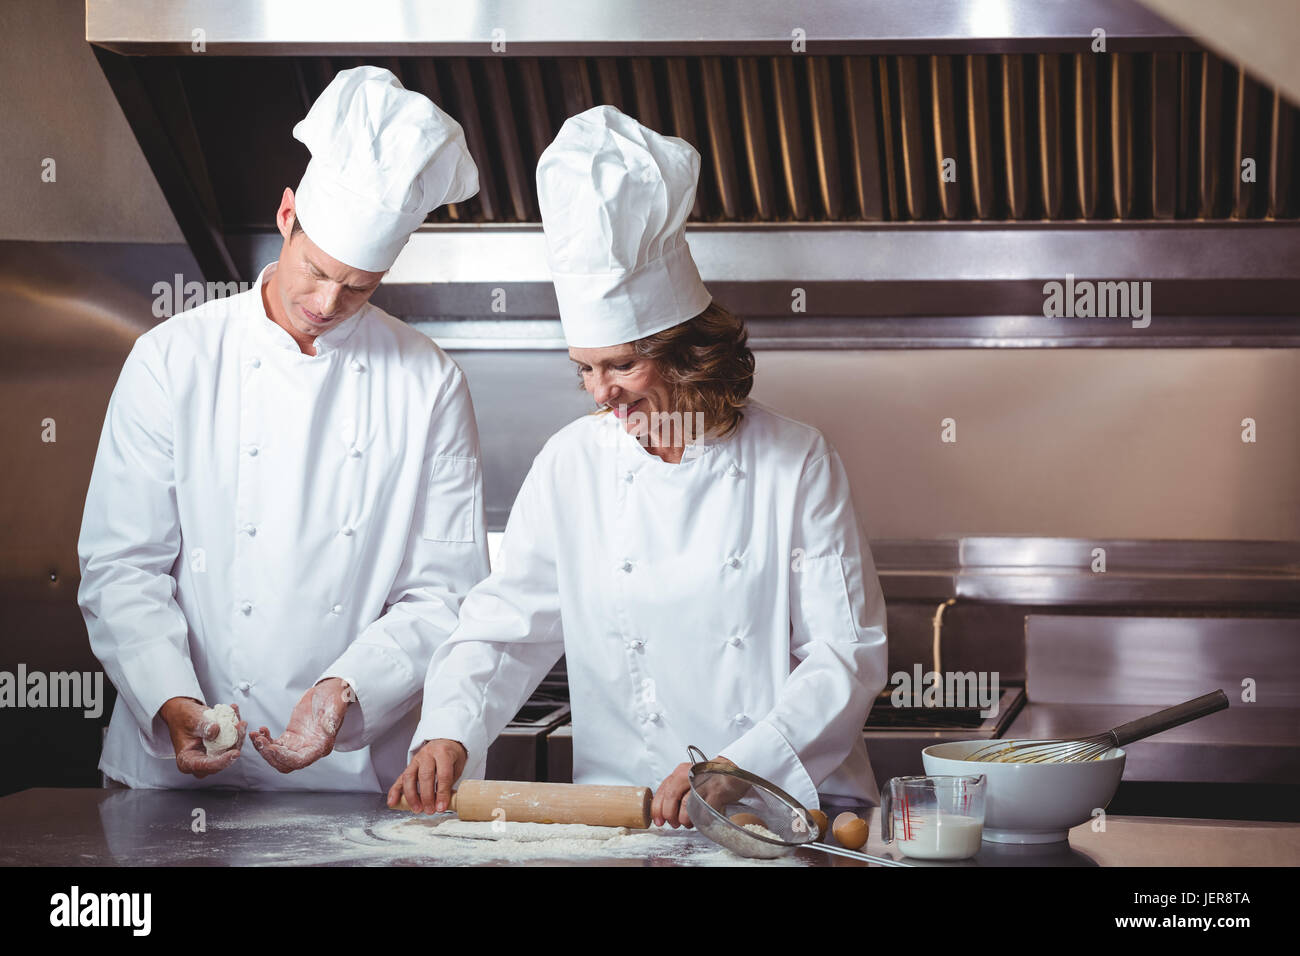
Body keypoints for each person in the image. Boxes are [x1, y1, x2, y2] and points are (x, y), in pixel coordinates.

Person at [390, 105, 888, 825]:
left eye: (622, 364)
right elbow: (507, 625)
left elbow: (846, 656)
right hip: (622, 819)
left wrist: (737, 765)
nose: (601, 394)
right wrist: (450, 727)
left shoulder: (796, 462)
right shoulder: (572, 463)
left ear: (688, 349)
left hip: (775, 814)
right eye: (584, 368)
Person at [77, 66, 489, 790]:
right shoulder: (174, 358)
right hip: (172, 779)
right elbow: (123, 567)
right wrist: (173, 700)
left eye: (359, 286)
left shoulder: (429, 383)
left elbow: (446, 593)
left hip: (344, 782)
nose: (328, 302)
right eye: (316, 269)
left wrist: (347, 688)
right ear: (286, 214)